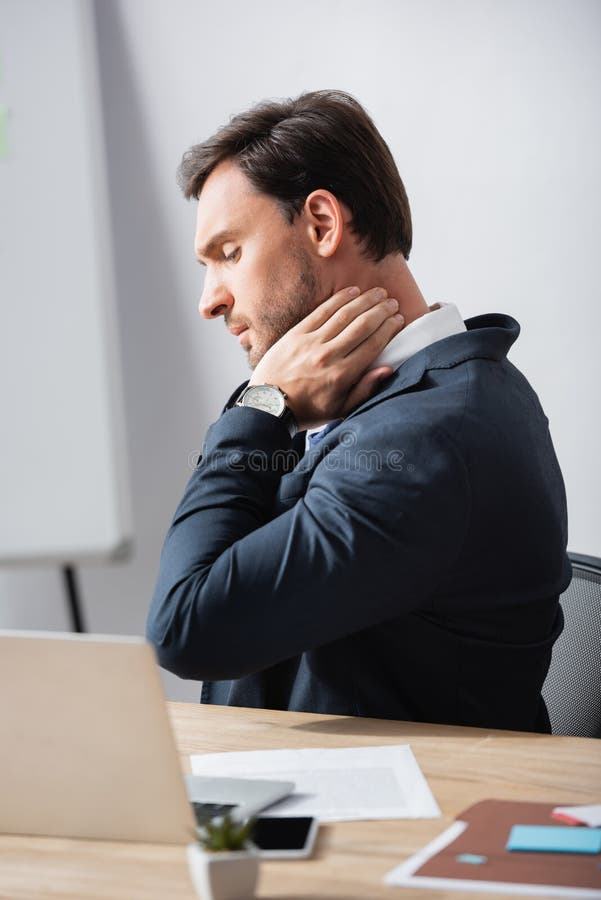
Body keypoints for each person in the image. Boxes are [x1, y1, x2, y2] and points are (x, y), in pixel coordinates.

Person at [147, 90, 571, 732]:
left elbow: (186, 624)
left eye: (230, 253)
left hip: (408, 820)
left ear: (321, 223)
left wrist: (262, 402)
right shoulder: (415, 399)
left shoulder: (430, 435)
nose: (210, 301)